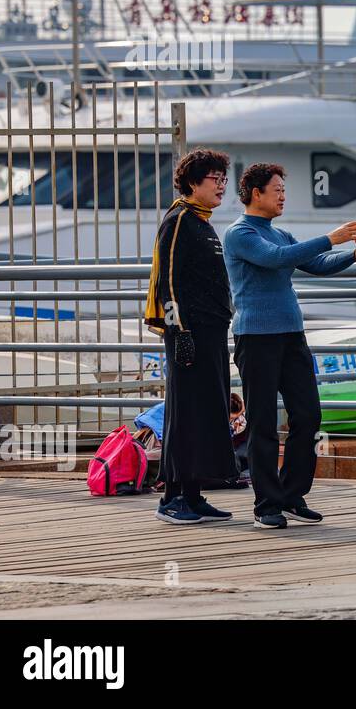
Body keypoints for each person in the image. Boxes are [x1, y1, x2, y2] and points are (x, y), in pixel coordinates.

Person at [223, 163, 356, 529]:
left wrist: (355, 254)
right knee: (263, 424)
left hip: (292, 336)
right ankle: (266, 505)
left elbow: (317, 264)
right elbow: (276, 259)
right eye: (277, 190)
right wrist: (331, 237)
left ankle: (292, 495)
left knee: (308, 416)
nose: (283, 196)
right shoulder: (239, 233)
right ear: (256, 193)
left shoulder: (282, 233)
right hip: (256, 338)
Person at [144, 149, 239, 525]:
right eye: (214, 179)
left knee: (206, 411)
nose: (221, 186)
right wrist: (178, 330)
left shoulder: (203, 222)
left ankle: (195, 494)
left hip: (212, 332)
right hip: (189, 334)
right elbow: (167, 279)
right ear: (192, 182)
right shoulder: (179, 219)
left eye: (223, 179)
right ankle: (172, 497)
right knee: (185, 413)